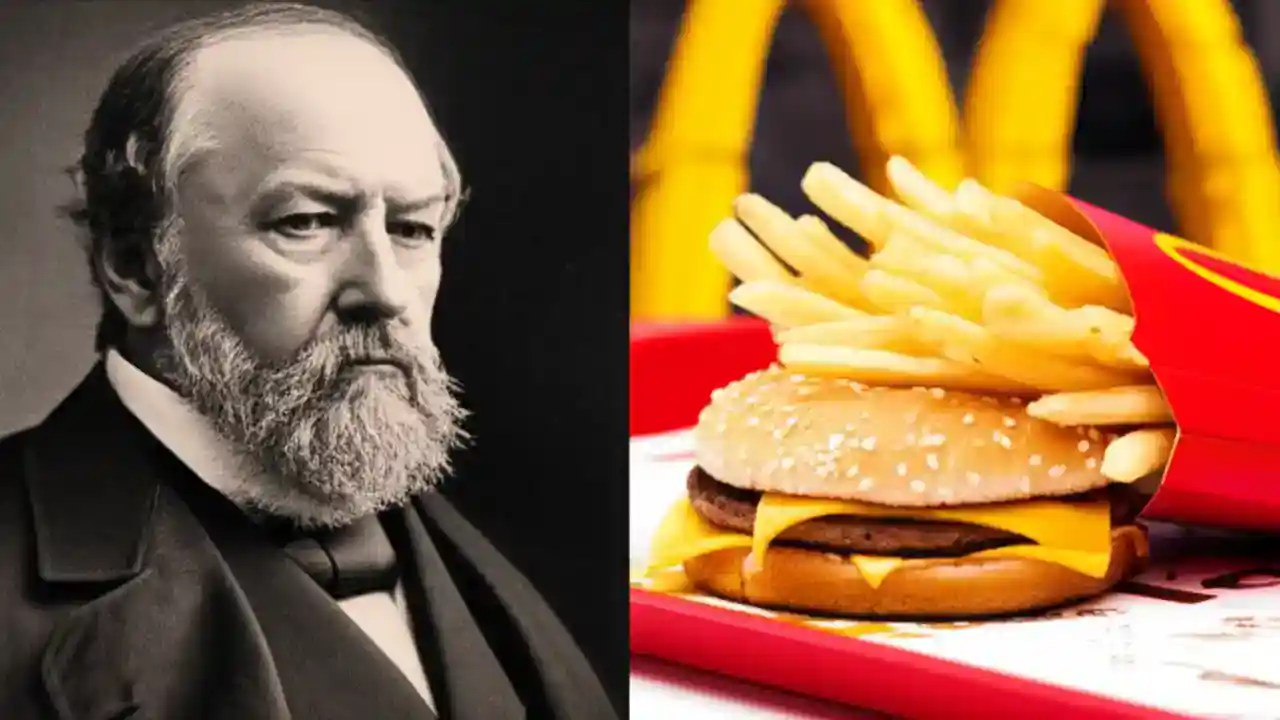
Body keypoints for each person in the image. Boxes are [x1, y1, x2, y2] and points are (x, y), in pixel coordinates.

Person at [0, 4, 617, 719]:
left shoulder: (529, 562)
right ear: (135, 267)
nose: (386, 292)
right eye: (307, 223)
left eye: (413, 229)